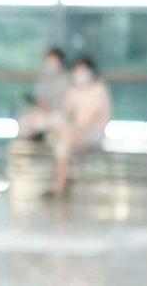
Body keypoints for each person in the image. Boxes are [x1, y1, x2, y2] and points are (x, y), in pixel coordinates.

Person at [50, 55, 112, 199]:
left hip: (94, 132)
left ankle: (60, 186)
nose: (80, 74)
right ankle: (60, 185)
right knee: (62, 144)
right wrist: (73, 128)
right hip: (74, 133)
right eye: (78, 70)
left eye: (84, 70)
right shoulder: (73, 91)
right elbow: (67, 113)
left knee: (64, 145)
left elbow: (99, 116)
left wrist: (82, 131)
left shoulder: (99, 89)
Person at [17, 47, 70, 141]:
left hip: (58, 114)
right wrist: (40, 103)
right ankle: (34, 139)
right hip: (42, 113)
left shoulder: (66, 80)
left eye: (53, 60)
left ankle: (47, 136)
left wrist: (50, 106)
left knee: (58, 123)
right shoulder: (43, 78)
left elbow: (66, 103)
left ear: (60, 62)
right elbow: (40, 98)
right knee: (24, 120)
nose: (50, 64)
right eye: (48, 60)